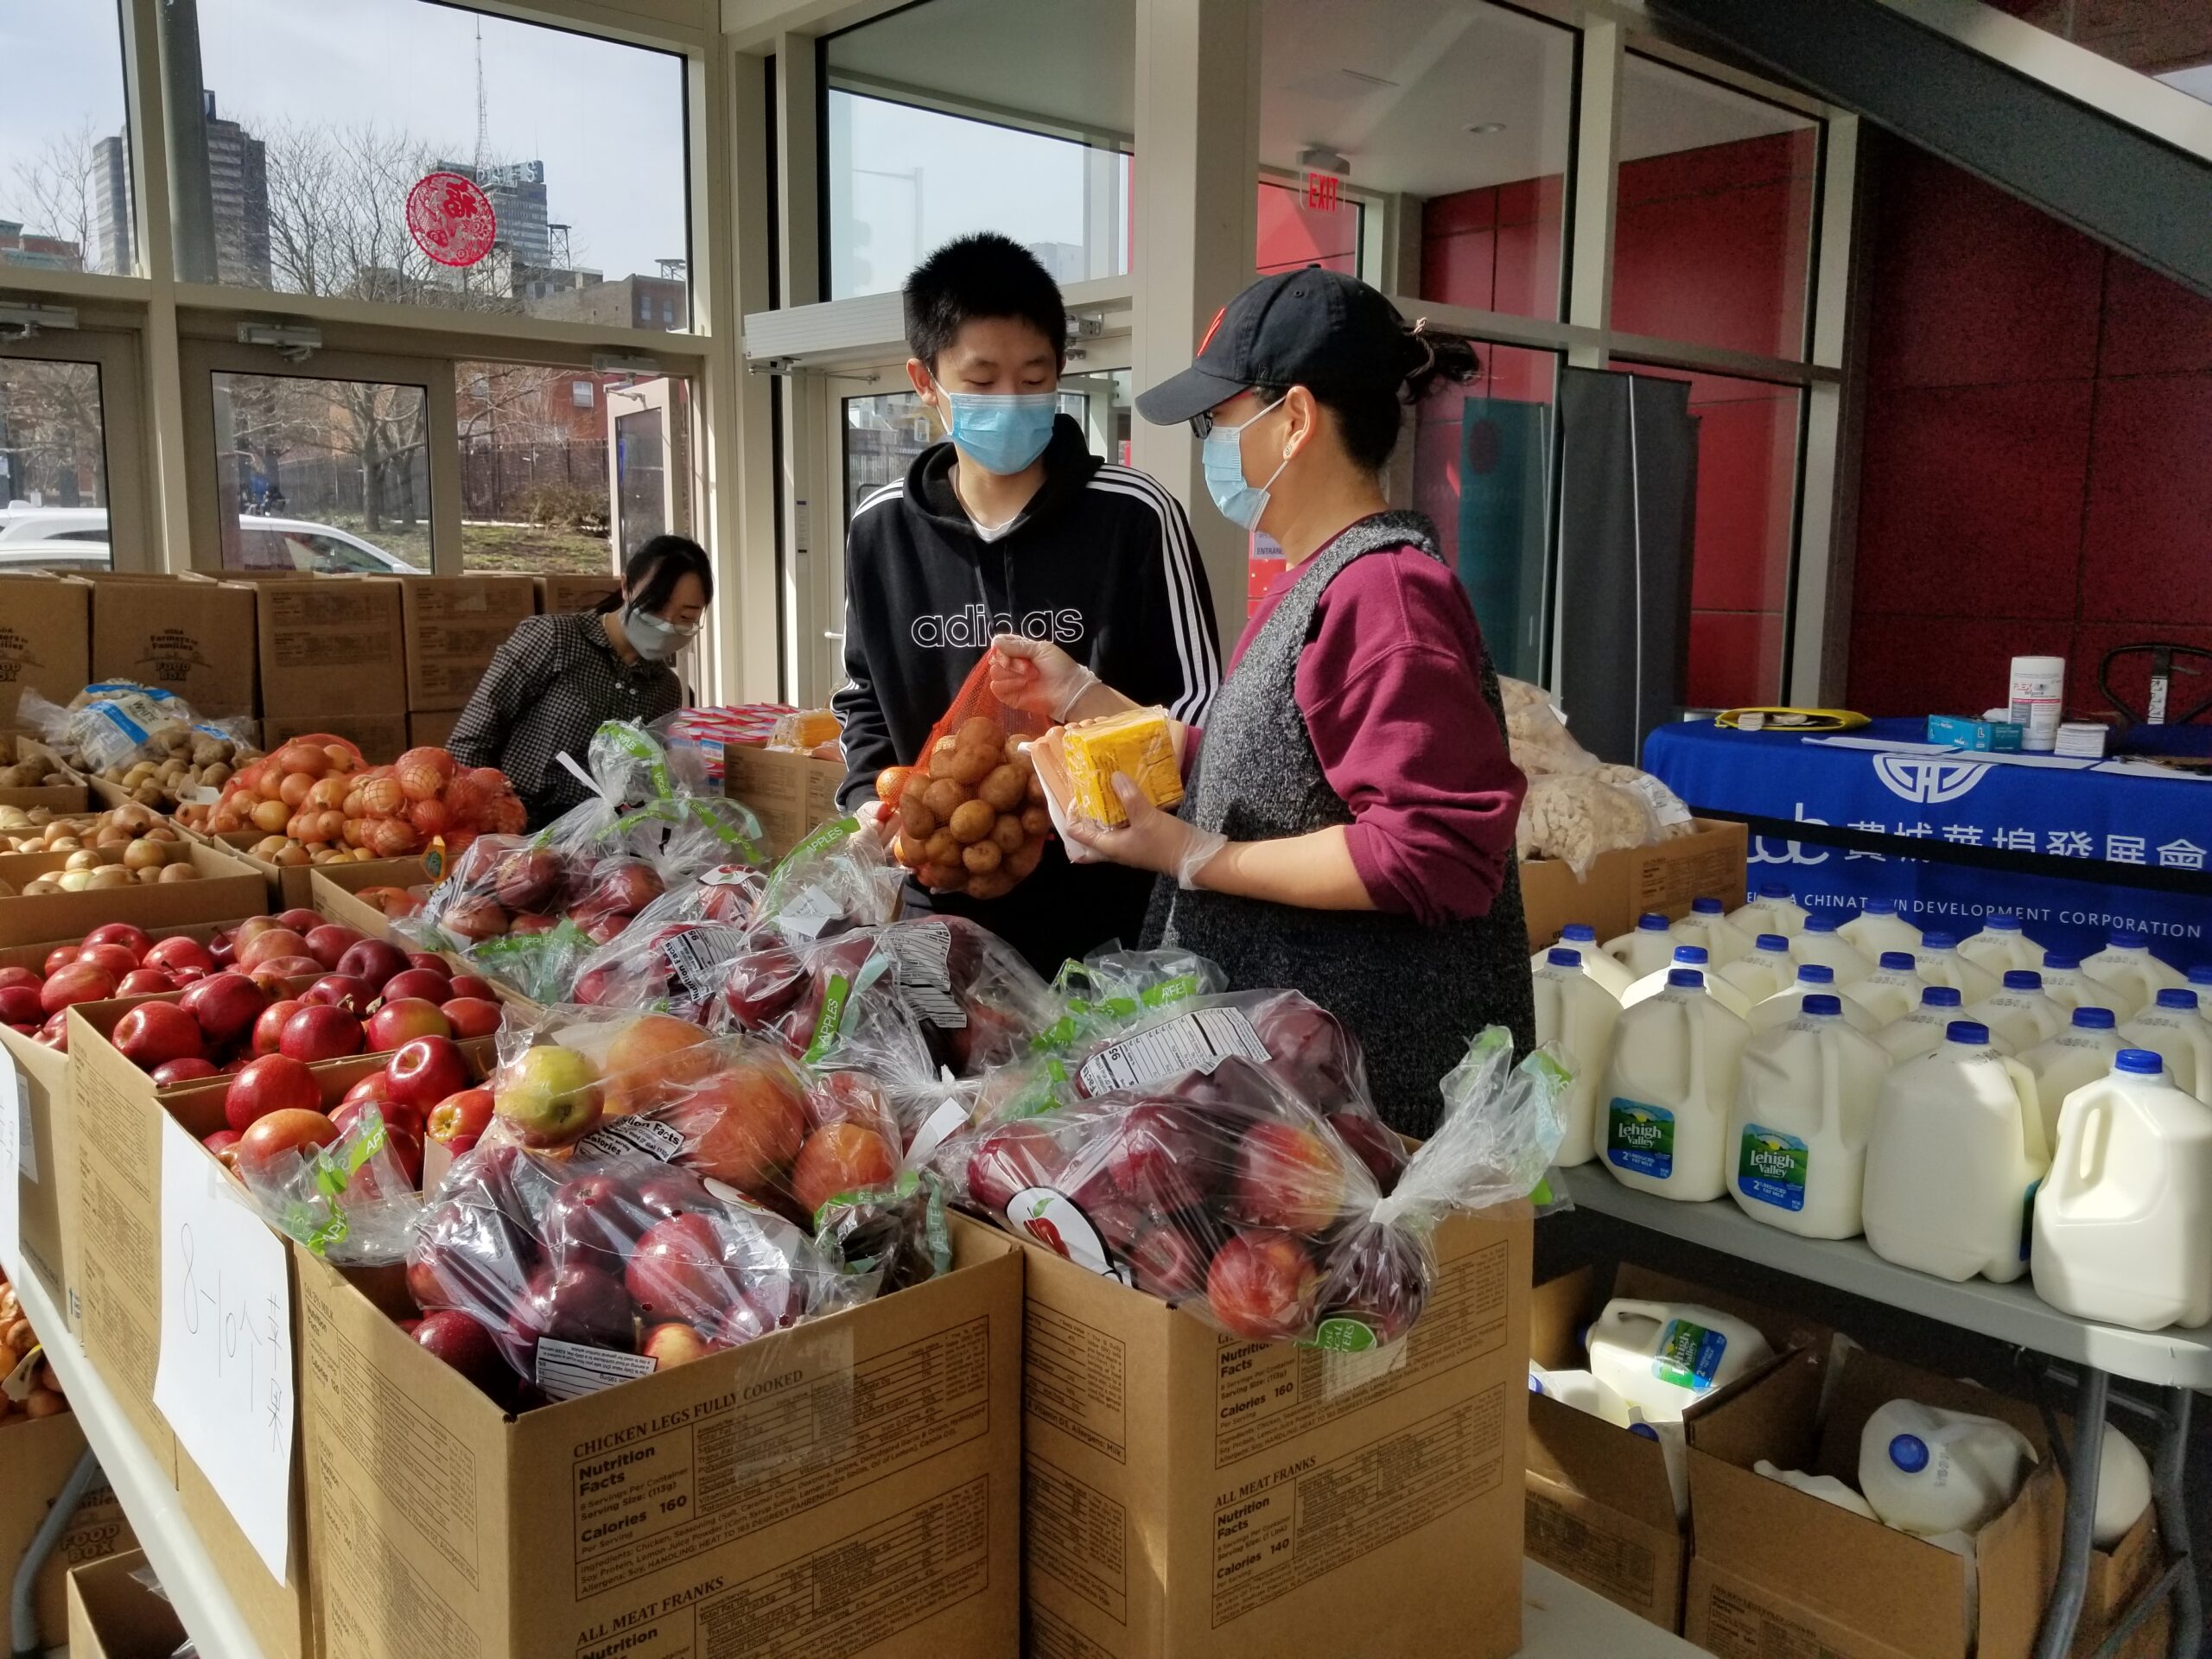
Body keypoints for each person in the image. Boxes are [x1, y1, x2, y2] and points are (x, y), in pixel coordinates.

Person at [989, 268, 1533, 1135]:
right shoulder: (1322, 579)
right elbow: (1273, 769)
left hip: (1363, 1105)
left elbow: (1437, 852)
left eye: (1219, 418)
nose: (1210, 442)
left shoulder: (1383, 593)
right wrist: (1087, 697)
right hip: (1299, 1084)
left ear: (1295, 420)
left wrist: (1197, 857)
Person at [835, 232, 1221, 977]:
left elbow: (1202, 705)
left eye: (1034, 376)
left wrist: (1085, 707)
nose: (1010, 400)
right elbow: (862, 697)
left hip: (1107, 911)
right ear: (925, 381)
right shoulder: (879, 527)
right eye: (981, 381)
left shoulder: (1135, 516)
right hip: (938, 904)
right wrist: (865, 800)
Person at [448, 535, 709, 829]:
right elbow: (471, 739)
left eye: (686, 617)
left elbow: (639, 782)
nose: (667, 624)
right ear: (626, 588)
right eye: (656, 607)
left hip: (600, 843)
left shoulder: (665, 689)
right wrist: (476, 823)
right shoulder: (554, 640)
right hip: (514, 830)